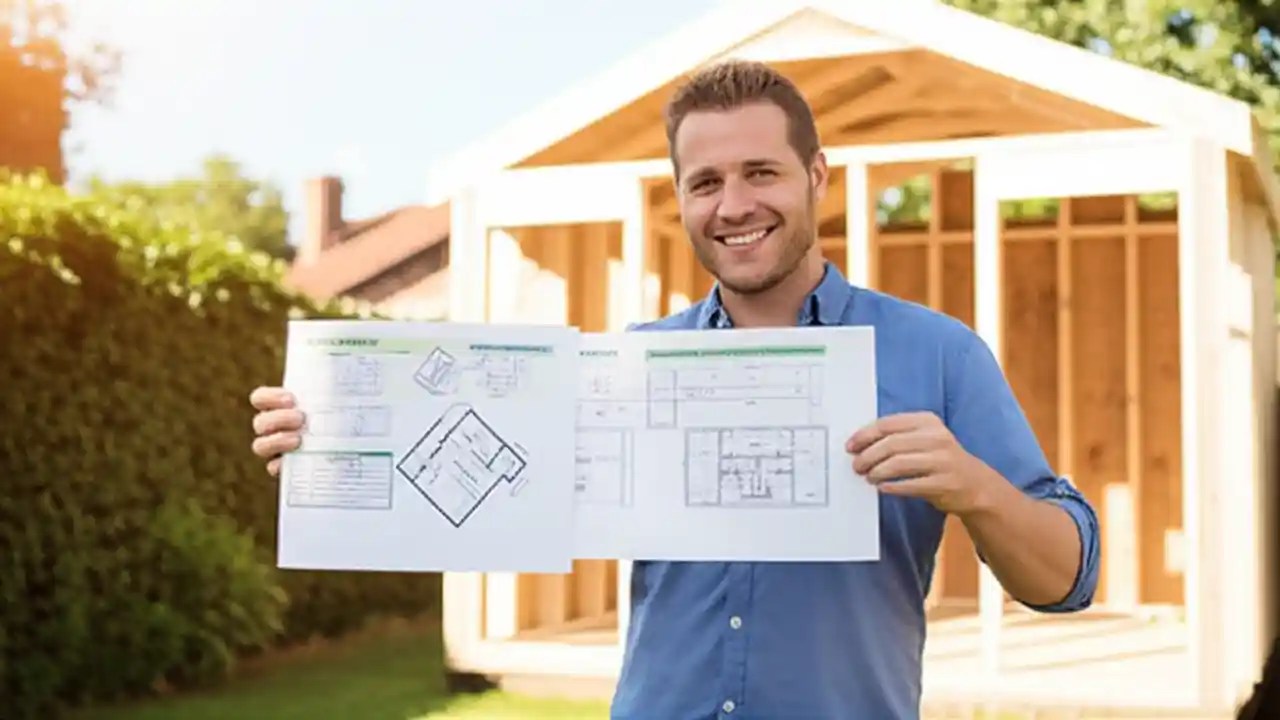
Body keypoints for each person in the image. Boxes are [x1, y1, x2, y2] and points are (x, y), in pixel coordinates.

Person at [249, 60, 1100, 719]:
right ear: (684, 198)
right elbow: (490, 479)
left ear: (817, 177)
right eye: (705, 183)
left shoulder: (936, 353)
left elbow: (1066, 578)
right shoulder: (630, 365)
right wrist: (338, 452)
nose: (733, 205)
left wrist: (976, 487)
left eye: (761, 172)